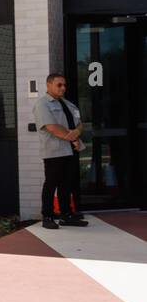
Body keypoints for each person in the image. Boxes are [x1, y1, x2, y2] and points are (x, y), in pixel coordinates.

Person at [33, 73, 88, 230]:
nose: (63, 88)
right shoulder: (42, 105)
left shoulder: (68, 104)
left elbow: (80, 124)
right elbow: (51, 127)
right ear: (48, 85)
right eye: (59, 85)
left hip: (70, 150)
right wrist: (72, 138)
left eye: (64, 85)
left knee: (66, 184)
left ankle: (66, 215)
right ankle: (48, 216)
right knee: (51, 184)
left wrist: (76, 134)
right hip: (54, 151)